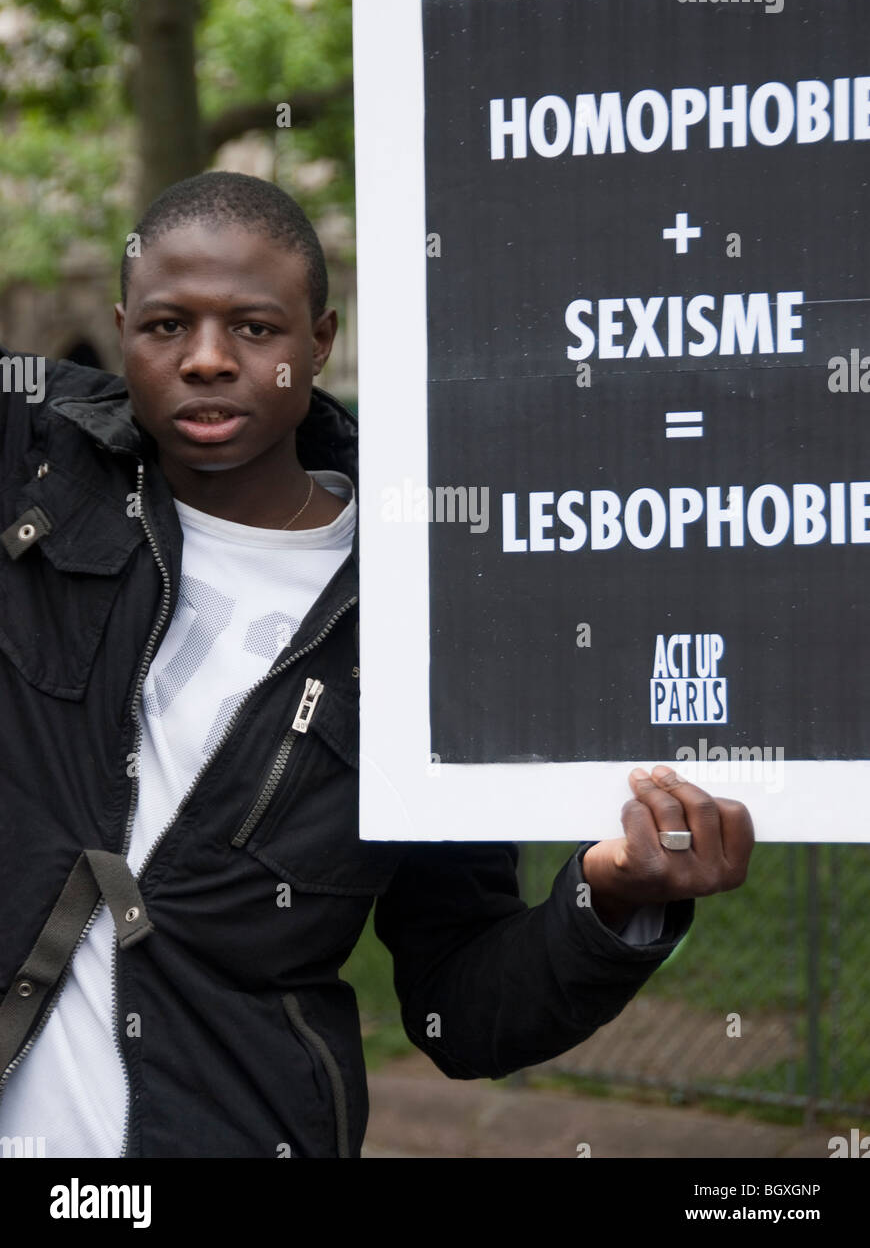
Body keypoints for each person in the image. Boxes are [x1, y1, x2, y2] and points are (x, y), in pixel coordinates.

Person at [0, 171, 753, 1158]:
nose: (209, 359)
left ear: (321, 338)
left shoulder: (424, 615)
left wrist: (612, 896)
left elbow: (462, 1007)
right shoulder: (36, 470)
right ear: (121, 326)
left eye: (257, 329)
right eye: (167, 325)